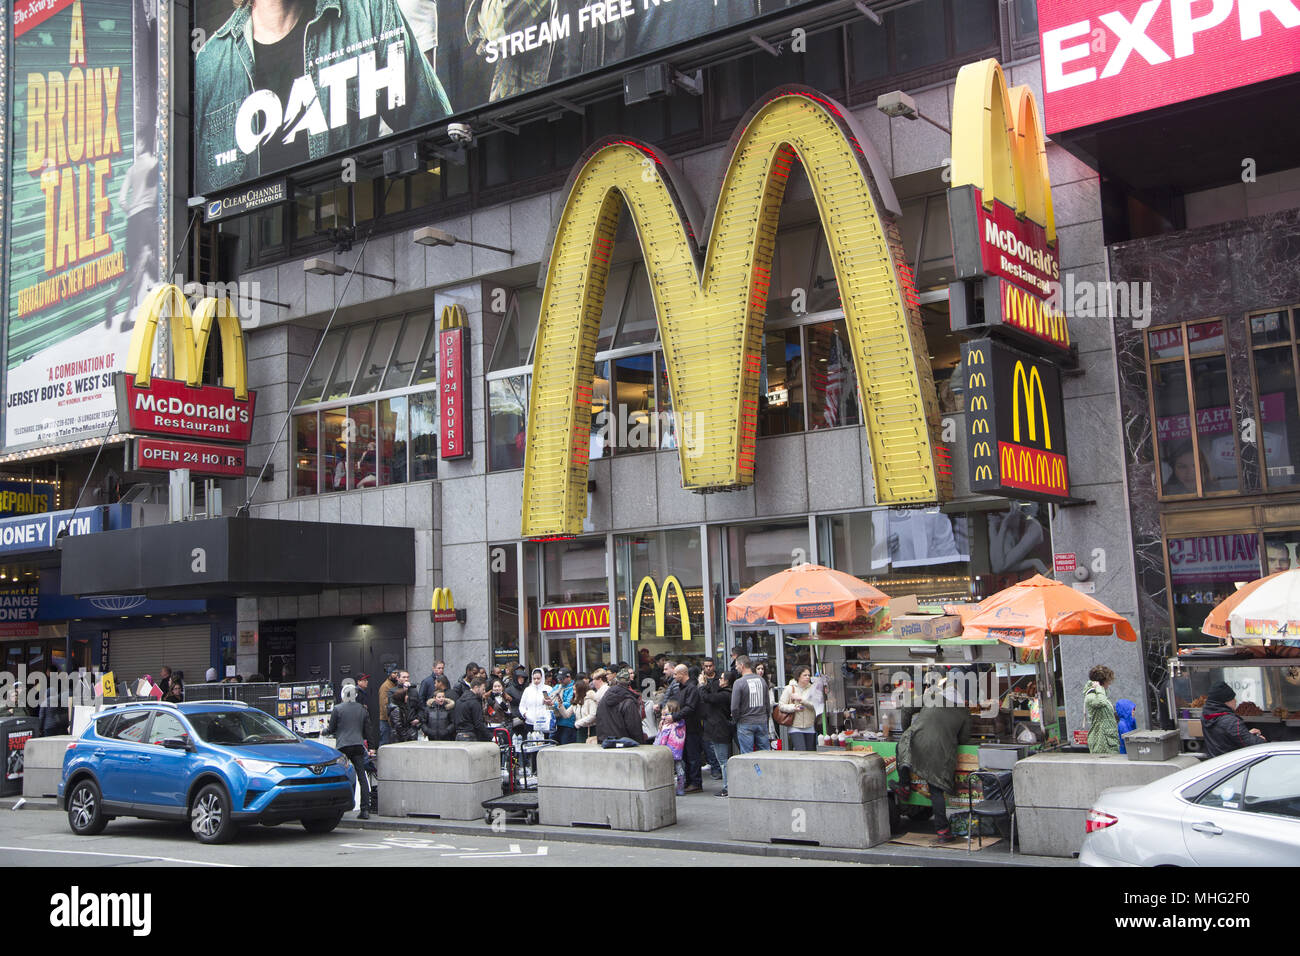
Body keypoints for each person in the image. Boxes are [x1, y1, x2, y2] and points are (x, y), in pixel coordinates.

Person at [193, 0, 452, 193]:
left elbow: (438, 134)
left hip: (359, 219)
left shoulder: (371, 11)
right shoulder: (209, 64)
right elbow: (209, 203)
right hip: (266, 249)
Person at [892, 679, 972, 843]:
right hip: (941, 751)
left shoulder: (932, 697)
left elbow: (907, 708)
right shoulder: (964, 712)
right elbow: (964, 739)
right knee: (936, 792)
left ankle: (904, 786)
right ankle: (943, 832)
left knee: (902, 746)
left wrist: (906, 729)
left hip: (917, 740)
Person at [327, 683, 374, 819]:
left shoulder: (337, 709)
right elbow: (368, 730)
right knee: (362, 777)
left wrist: (325, 731)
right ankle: (365, 809)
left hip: (343, 746)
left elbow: (331, 729)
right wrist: (371, 747)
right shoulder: (362, 709)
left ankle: (339, 807)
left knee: (340, 776)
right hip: (358, 745)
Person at [662, 664, 703, 791]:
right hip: (683, 728)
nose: (674, 677)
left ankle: (695, 782)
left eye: (675, 674)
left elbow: (690, 708)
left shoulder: (691, 689)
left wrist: (674, 717)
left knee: (692, 756)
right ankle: (690, 781)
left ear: (683, 674)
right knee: (686, 756)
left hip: (691, 727)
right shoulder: (682, 688)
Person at [1202, 681, 1267, 757]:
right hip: (1233, 763)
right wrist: (1260, 739)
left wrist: (1246, 734)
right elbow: (1253, 744)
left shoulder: (1205, 716)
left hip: (1216, 761)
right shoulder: (1231, 721)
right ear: (1226, 701)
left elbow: (1225, 739)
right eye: (1233, 698)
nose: (1235, 701)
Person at [701, 670, 734, 796]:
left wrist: (703, 686)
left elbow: (708, 698)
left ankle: (727, 787)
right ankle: (727, 786)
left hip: (720, 731)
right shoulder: (724, 693)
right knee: (722, 760)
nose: (719, 680)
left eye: (721, 678)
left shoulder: (725, 695)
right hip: (718, 730)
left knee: (723, 761)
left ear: (726, 681)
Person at [595, 668, 646, 744]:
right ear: (629, 682)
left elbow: (599, 722)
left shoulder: (603, 700)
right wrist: (640, 743)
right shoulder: (628, 702)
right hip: (625, 746)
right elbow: (634, 728)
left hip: (606, 744)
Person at [731, 656, 770, 753]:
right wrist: (766, 717)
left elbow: (734, 707)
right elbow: (767, 703)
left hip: (745, 722)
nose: (736, 668)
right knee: (765, 752)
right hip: (762, 720)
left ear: (742, 665)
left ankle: (751, 769)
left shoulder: (739, 682)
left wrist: (736, 720)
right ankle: (764, 768)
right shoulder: (762, 680)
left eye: (736, 666)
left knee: (747, 755)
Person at [779, 666, 818, 751]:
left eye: (809, 675)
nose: (808, 677)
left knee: (811, 753)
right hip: (795, 726)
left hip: (809, 726)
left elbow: (815, 705)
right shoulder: (790, 688)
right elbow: (781, 705)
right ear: (798, 676)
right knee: (801, 751)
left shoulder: (812, 689)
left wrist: (801, 700)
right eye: (805, 675)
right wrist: (793, 707)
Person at [1084, 665, 1120, 755]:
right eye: (1108, 681)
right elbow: (1101, 702)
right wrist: (1099, 688)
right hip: (1101, 741)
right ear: (1102, 682)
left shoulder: (1101, 694)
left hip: (1109, 740)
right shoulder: (1091, 696)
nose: (1109, 683)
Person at [655, 700, 688, 795]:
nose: (663, 709)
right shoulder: (681, 722)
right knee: (679, 768)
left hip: (667, 750)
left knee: (666, 769)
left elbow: (663, 738)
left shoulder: (668, 723)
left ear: (670, 710)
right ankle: (680, 788)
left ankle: (666, 789)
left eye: (665, 708)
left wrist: (658, 748)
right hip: (677, 750)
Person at [518, 667, 556, 736]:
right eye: (534, 678)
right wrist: (525, 714)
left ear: (542, 678)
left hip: (544, 723)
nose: (536, 681)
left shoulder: (548, 689)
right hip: (530, 722)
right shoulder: (528, 690)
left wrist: (548, 703)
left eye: (538, 678)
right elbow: (522, 706)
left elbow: (553, 707)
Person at [552, 667, 578, 745]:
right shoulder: (558, 686)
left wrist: (554, 703)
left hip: (568, 724)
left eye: (562, 679)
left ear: (569, 677)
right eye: (559, 679)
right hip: (556, 722)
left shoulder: (573, 688)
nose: (560, 681)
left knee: (565, 746)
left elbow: (570, 703)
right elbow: (550, 696)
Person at [378, 667, 400, 746]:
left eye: (397, 673)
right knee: (385, 742)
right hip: (386, 720)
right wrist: (390, 720)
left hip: (393, 720)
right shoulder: (385, 686)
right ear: (389, 674)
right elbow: (384, 705)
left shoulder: (395, 685)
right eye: (394, 673)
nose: (396, 675)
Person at [505, 665, 529, 736]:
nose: (521, 679)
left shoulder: (527, 688)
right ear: (515, 678)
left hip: (525, 718)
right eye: (519, 677)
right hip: (515, 718)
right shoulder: (509, 689)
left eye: (523, 678)